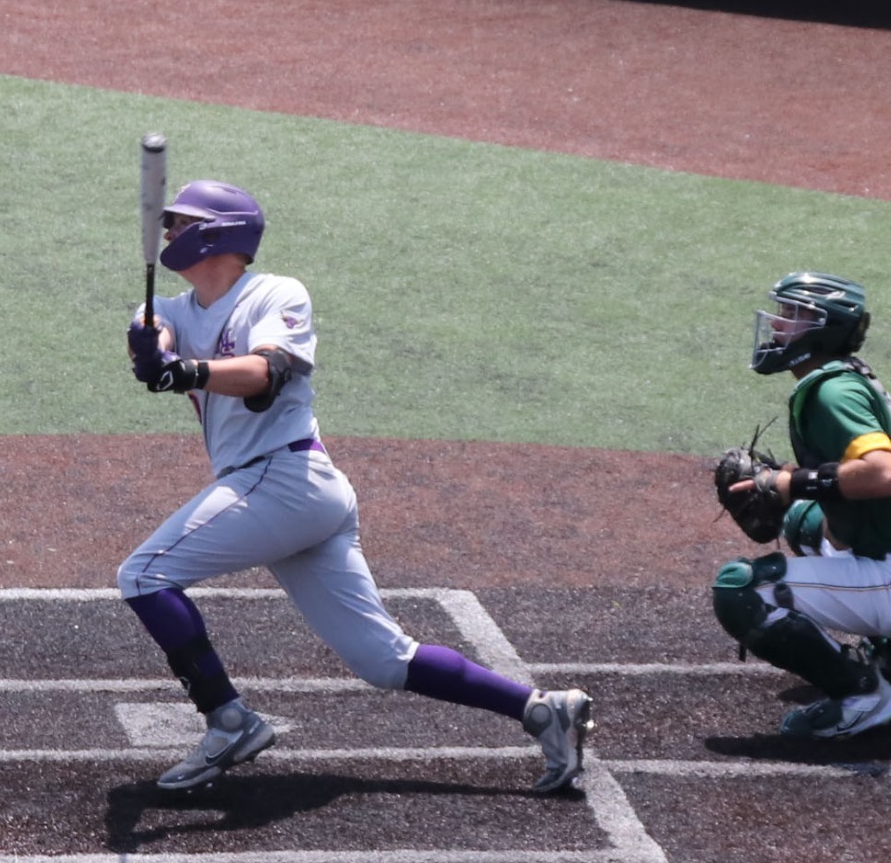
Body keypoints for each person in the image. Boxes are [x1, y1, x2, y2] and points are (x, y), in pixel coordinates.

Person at [118, 179, 593, 793]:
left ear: (219, 233)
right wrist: (148, 350)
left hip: (286, 479)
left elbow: (266, 373)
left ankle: (228, 719)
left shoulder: (276, 294)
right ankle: (541, 710)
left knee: (144, 574)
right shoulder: (173, 312)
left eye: (180, 222)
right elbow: (152, 339)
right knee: (382, 659)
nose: (168, 233)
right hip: (284, 494)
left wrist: (186, 370)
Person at [713, 272, 891, 739]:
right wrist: (796, 490)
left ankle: (862, 698)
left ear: (822, 328)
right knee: (802, 523)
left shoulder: (832, 392)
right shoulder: (844, 378)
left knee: (741, 590)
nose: (777, 326)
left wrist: (790, 481)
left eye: (792, 316)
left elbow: (881, 474)